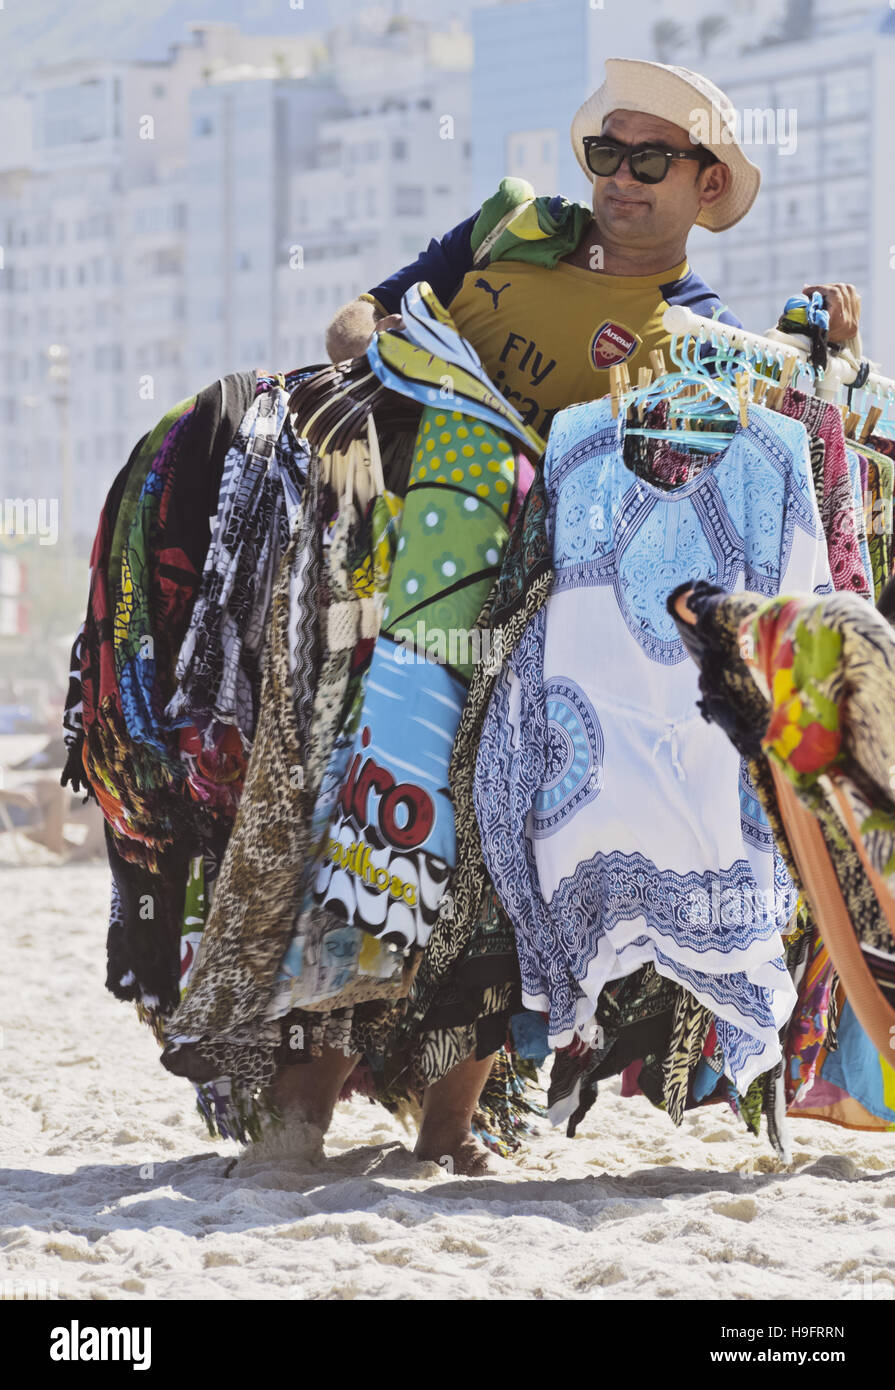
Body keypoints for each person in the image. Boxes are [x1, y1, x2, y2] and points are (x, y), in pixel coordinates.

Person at [289, 57, 862, 1174]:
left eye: (652, 160)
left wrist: (817, 358)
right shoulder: (513, 234)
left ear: (706, 187)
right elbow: (361, 308)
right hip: (395, 562)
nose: (619, 179)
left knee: (497, 866)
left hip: (529, 624)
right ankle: (294, 1121)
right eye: (607, 153)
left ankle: (449, 1129)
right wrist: (380, 341)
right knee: (346, 829)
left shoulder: (703, 340)